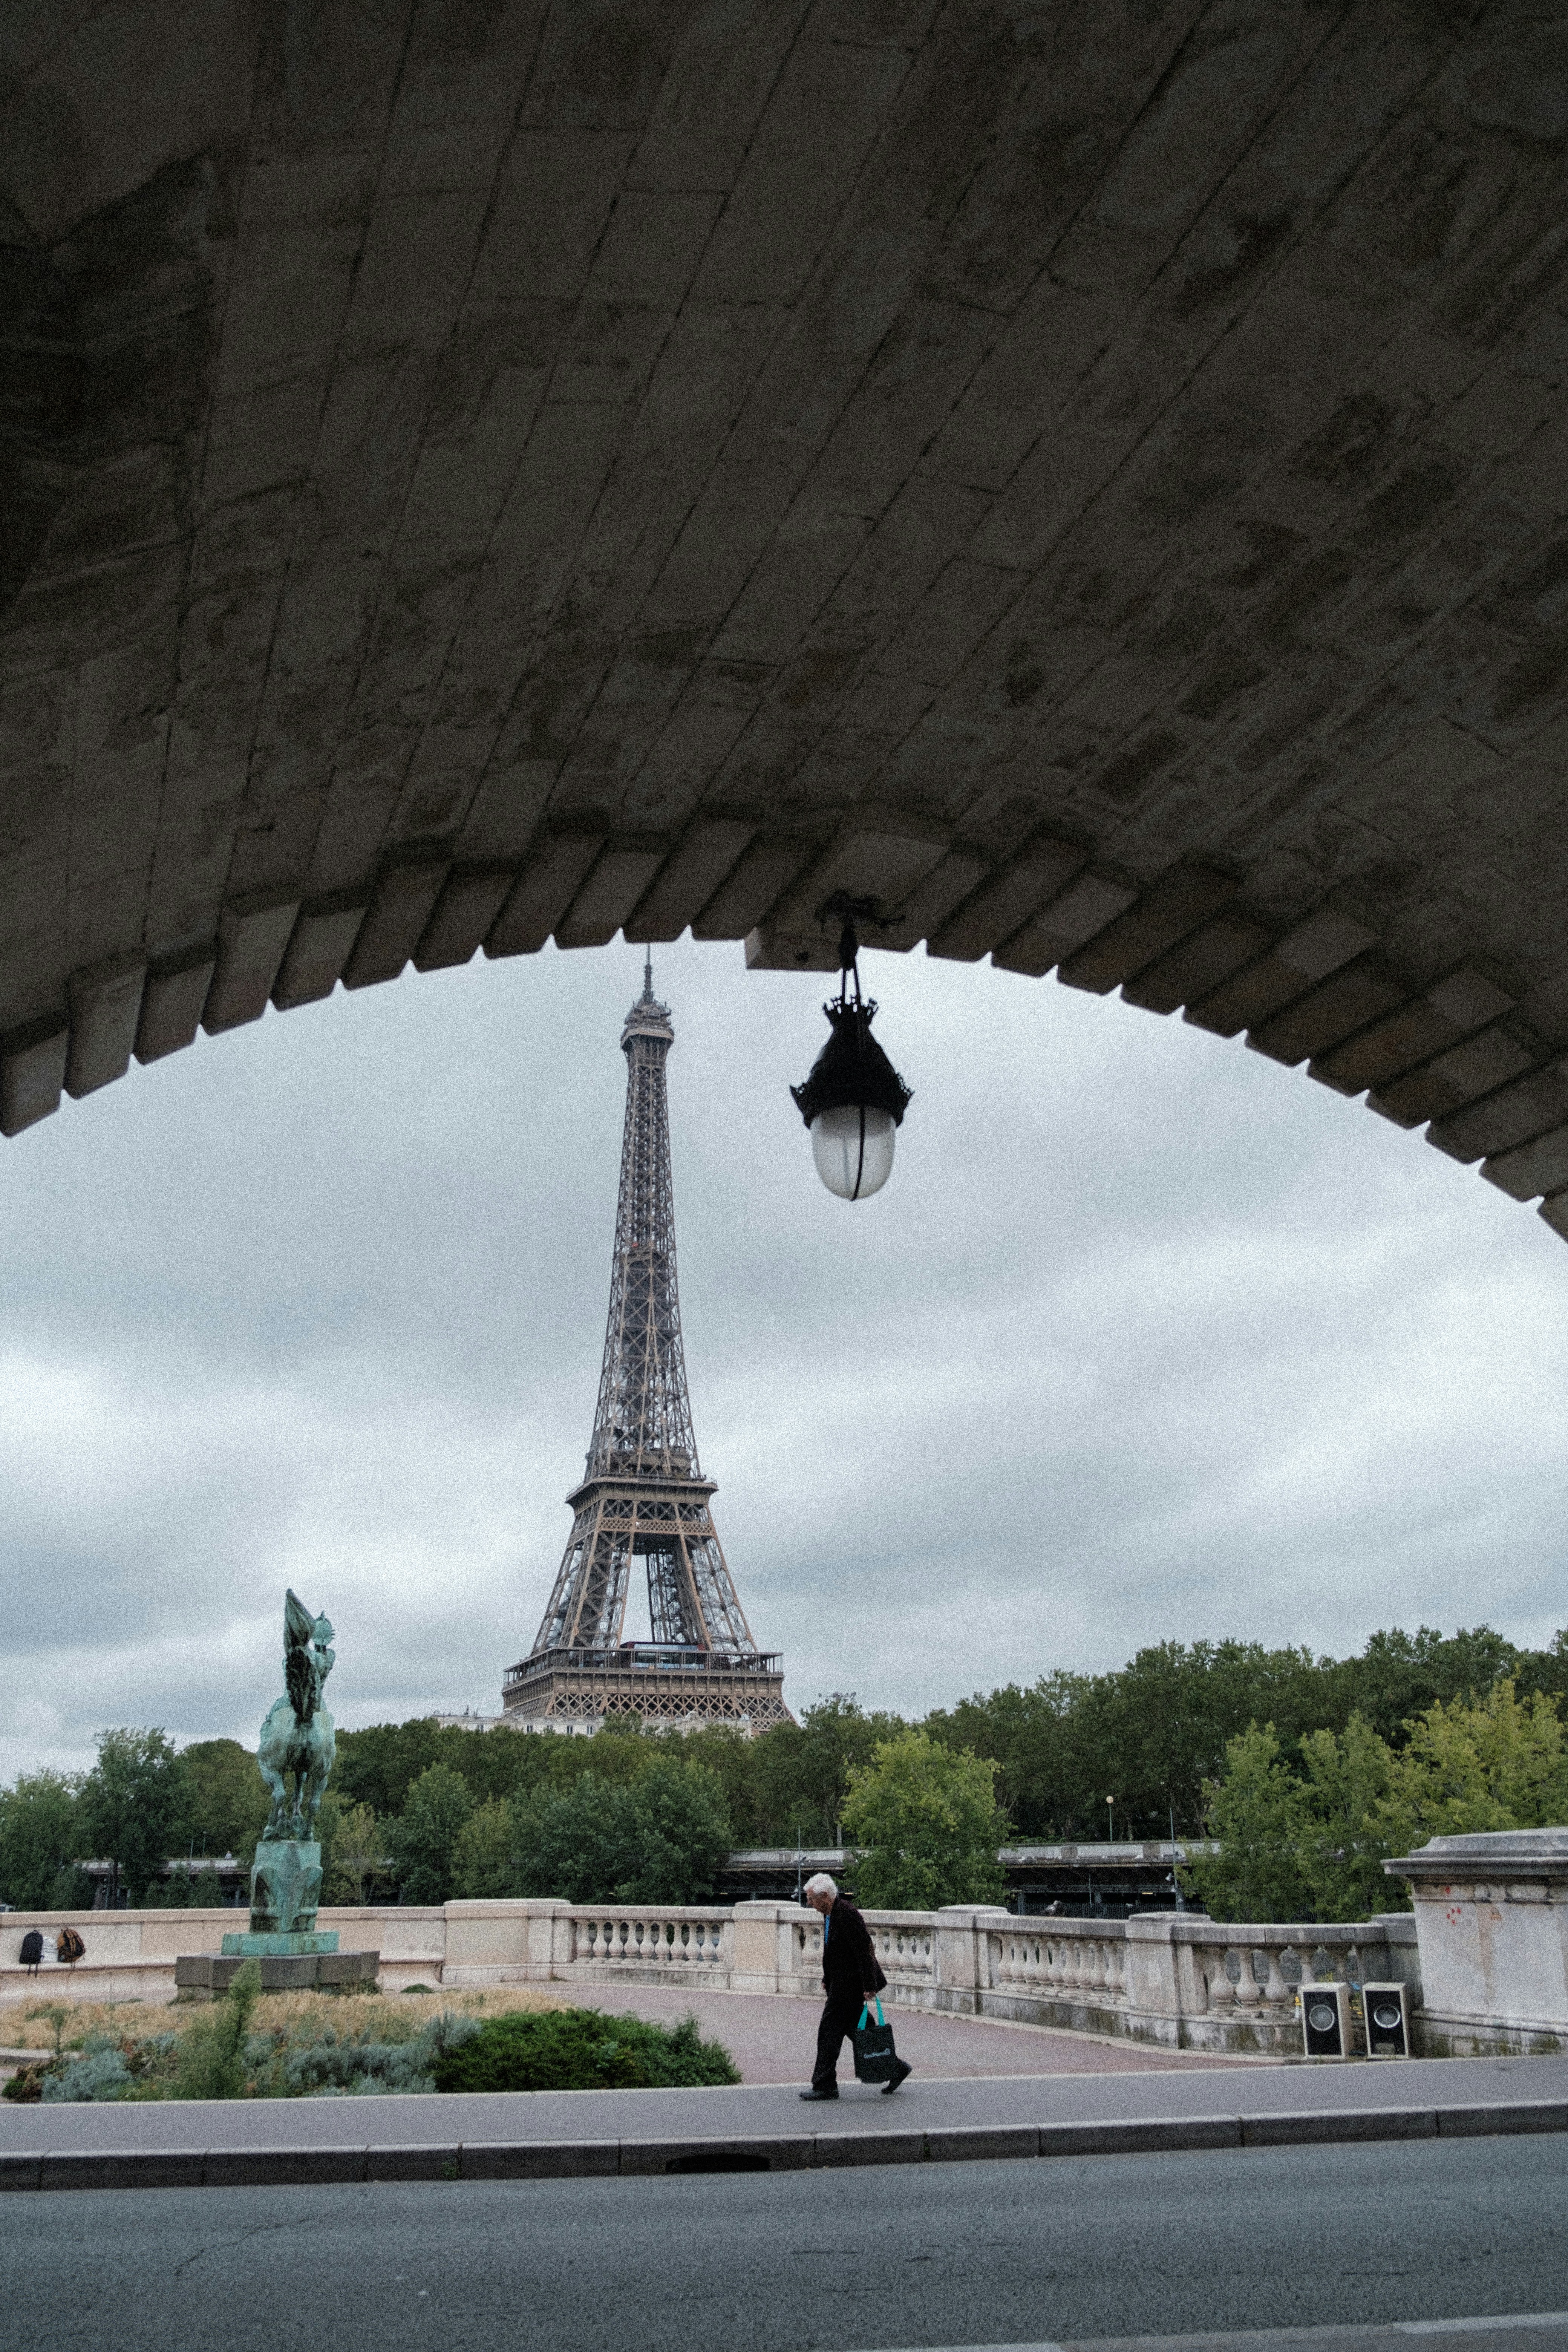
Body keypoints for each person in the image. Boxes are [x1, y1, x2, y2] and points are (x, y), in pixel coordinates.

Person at [798, 1871, 912, 2099]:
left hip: (850, 1987)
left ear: (826, 1897)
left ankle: (825, 2086)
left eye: (811, 1898)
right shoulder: (830, 1914)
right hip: (841, 1984)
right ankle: (896, 2068)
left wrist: (869, 1985)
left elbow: (864, 1951)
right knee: (863, 2033)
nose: (809, 1903)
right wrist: (827, 1978)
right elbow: (834, 1953)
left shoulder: (847, 1915)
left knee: (828, 2033)